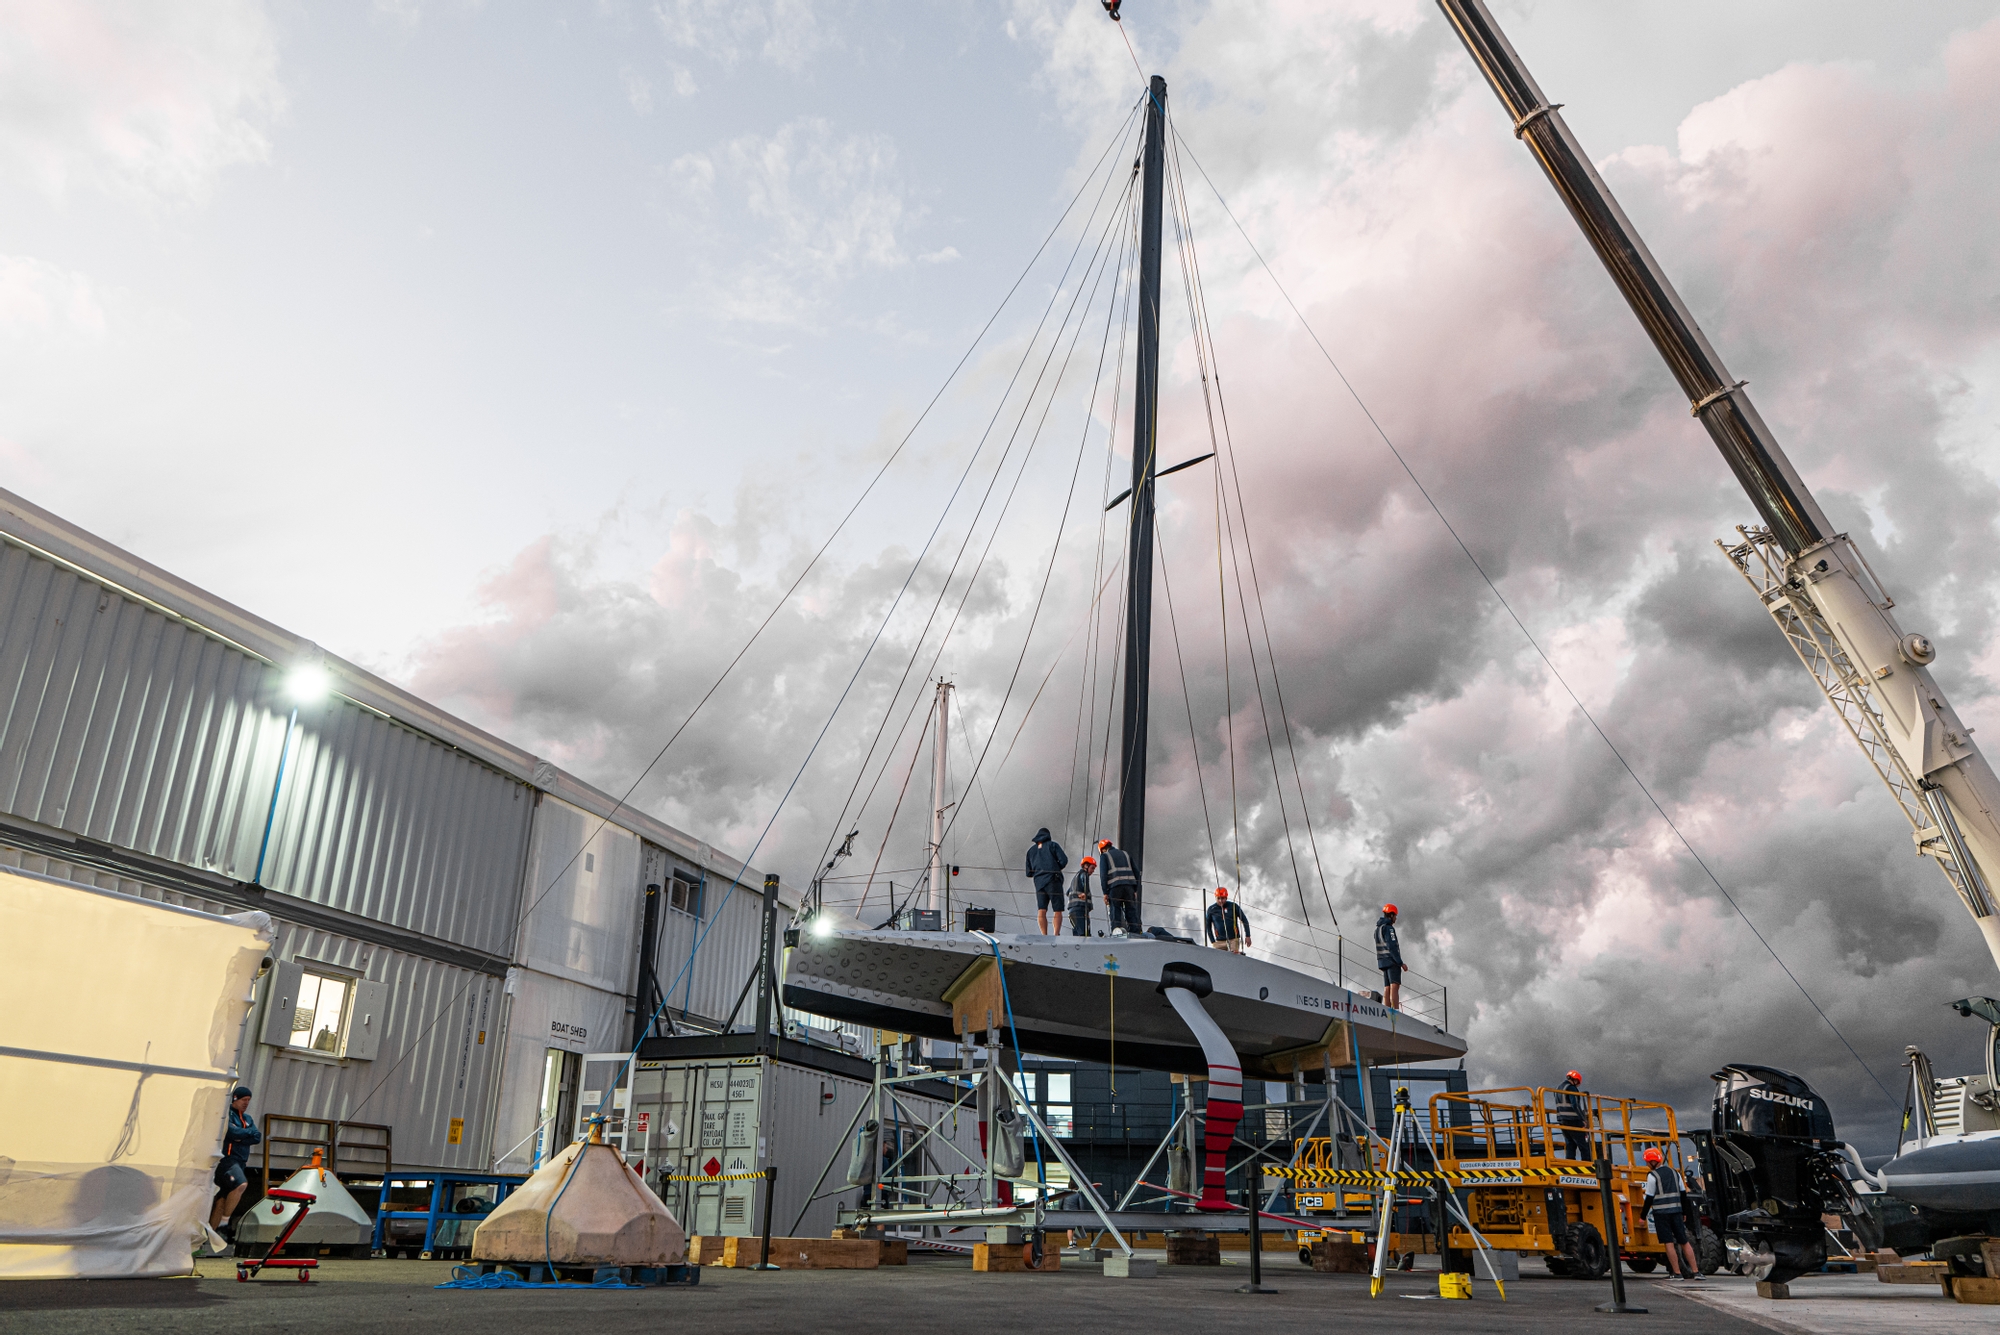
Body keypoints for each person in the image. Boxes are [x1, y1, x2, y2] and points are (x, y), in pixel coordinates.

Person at [1642, 1146, 1701, 1280]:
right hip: (1677, 1212)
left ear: (1651, 1162)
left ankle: (1677, 1273)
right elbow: (1683, 1194)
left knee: (1668, 1243)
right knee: (1684, 1242)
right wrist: (1684, 1212)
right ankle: (1696, 1272)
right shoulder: (1675, 1173)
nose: (1646, 1164)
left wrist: (1642, 1216)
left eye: (1647, 1162)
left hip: (1661, 1214)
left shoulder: (1652, 1176)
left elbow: (1649, 1198)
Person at [210, 1086, 262, 1238]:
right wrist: (246, 1135)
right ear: (235, 1099)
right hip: (228, 1159)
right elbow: (231, 1133)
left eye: (248, 1100)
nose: (246, 1103)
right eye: (243, 1100)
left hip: (241, 1161)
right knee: (241, 1184)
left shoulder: (248, 1119)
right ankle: (224, 1223)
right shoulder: (228, 1115)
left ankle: (211, 1236)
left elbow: (257, 1137)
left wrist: (242, 1136)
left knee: (222, 1198)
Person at [1025, 827, 1068, 936]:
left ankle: (1044, 934)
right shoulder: (1053, 845)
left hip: (1039, 883)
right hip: (1053, 879)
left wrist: (1038, 872)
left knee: (1041, 909)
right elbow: (1064, 860)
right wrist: (1055, 867)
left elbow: (1028, 872)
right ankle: (1056, 933)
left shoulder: (1031, 851)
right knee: (1057, 909)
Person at [1097, 840, 1140, 935]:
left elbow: (1103, 875)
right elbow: (1137, 872)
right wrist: (1135, 889)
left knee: (1115, 910)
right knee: (1131, 910)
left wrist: (1105, 892)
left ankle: (1116, 933)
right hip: (1129, 887)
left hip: (1115, 887)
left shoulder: (1105, 856)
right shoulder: (1125, 854)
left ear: (1102, 849)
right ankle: (1135, 932)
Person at [1555, 1069, 1590, 1162]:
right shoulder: (1571, 1088)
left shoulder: (1558, 1088)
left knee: (1570, 1143)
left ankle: (1570, 1163)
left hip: (1562, 1120)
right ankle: (1588, 1165)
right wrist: (1583, 1118)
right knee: (1583, 1144)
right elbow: (1575, 1105)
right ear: (1576, 1080)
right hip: (1573, 1119)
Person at [1203, 887, 1251, 954]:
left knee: (1233, 959)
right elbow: (1207, 926)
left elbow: (1244, 920)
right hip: (1219, 942)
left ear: (1226, 897)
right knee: (1218, 959)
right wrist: (1213, 941)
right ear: (1215, 898)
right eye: (1218, 898)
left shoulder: (1233, 906)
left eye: (1222, 898)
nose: (1220, 900)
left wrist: (1248, 935)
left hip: (1233, 940)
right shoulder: (1211, 909)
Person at [1373, 903, 1403, 1009]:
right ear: (1391, 915)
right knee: (1394, 985)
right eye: (1395, 916)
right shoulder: (1389, 929)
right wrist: (1400, 962)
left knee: (1387, 987)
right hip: (1391, 961)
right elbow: (1392, 946)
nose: (1395, 918)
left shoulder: (1377, 930)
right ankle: (1394, 1011)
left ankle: (1387, 1010)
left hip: (1382, 961)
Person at [1068, 857, 1097, 937]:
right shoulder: (1084, 874)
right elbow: (1085, 883)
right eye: (1092, 868)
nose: (1093, 871)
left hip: (1072, 910)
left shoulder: (1075, 878)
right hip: (1080, 909)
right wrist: (1084, 893)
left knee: (1077, 933)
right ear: (1086, 866)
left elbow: (1068, 892)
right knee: (1084, 934)